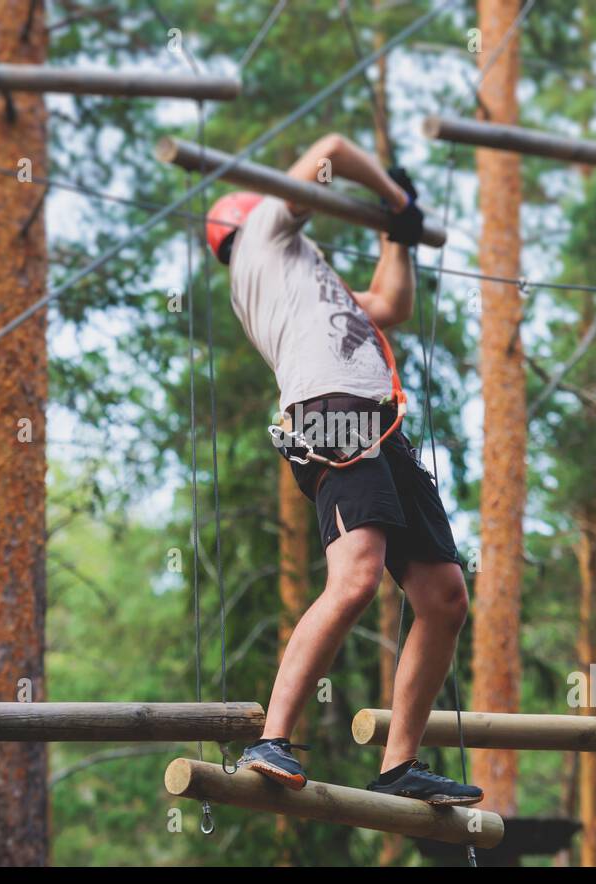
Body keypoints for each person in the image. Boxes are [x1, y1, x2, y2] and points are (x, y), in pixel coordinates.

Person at [204, 133, 481, 806]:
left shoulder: (305, 275)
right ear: (259, 214)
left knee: (444, 597)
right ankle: (271, 736)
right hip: (331, 413)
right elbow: (330, 149)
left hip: (378, 425)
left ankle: (399, 765)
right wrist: (390, 193)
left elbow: (390, 306)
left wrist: (400, 232)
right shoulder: (267, 241)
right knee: (355, 577)